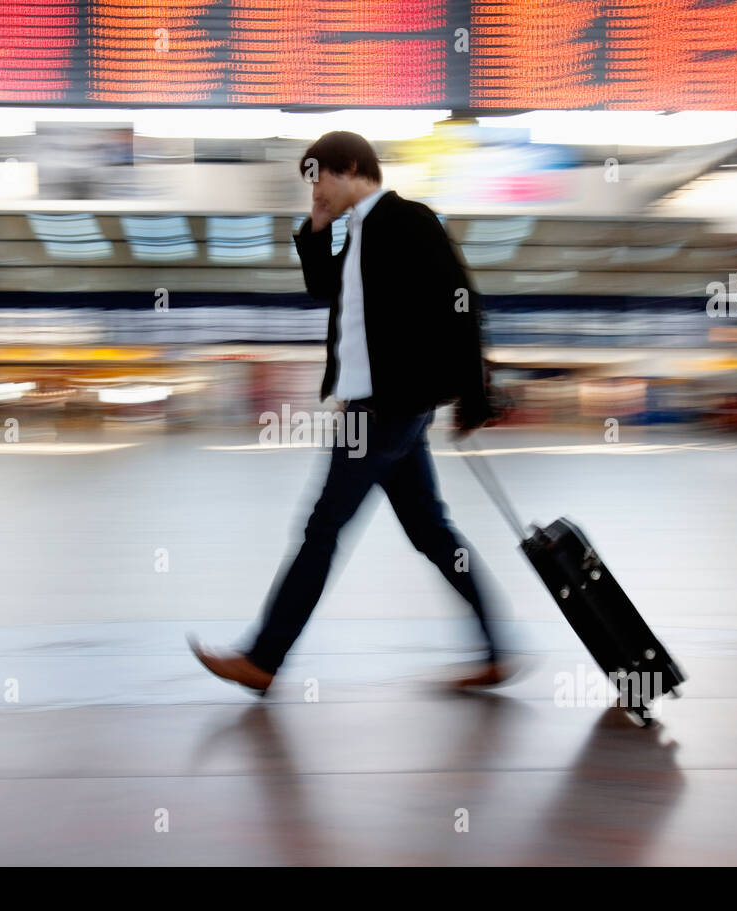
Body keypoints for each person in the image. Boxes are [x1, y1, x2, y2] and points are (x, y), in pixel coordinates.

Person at [189, 130, 516, 695]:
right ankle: (496, 649)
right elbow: (324, 289)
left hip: (387, 409)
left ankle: (264, 659)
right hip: (381, 409)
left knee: (322, 527)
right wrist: (317, 226)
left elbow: (462, 302)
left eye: (317, 177)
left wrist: (474, 393)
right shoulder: (357, 233)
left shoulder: (409, 220)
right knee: (432, 533)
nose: (314, 189)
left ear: (346, 168)